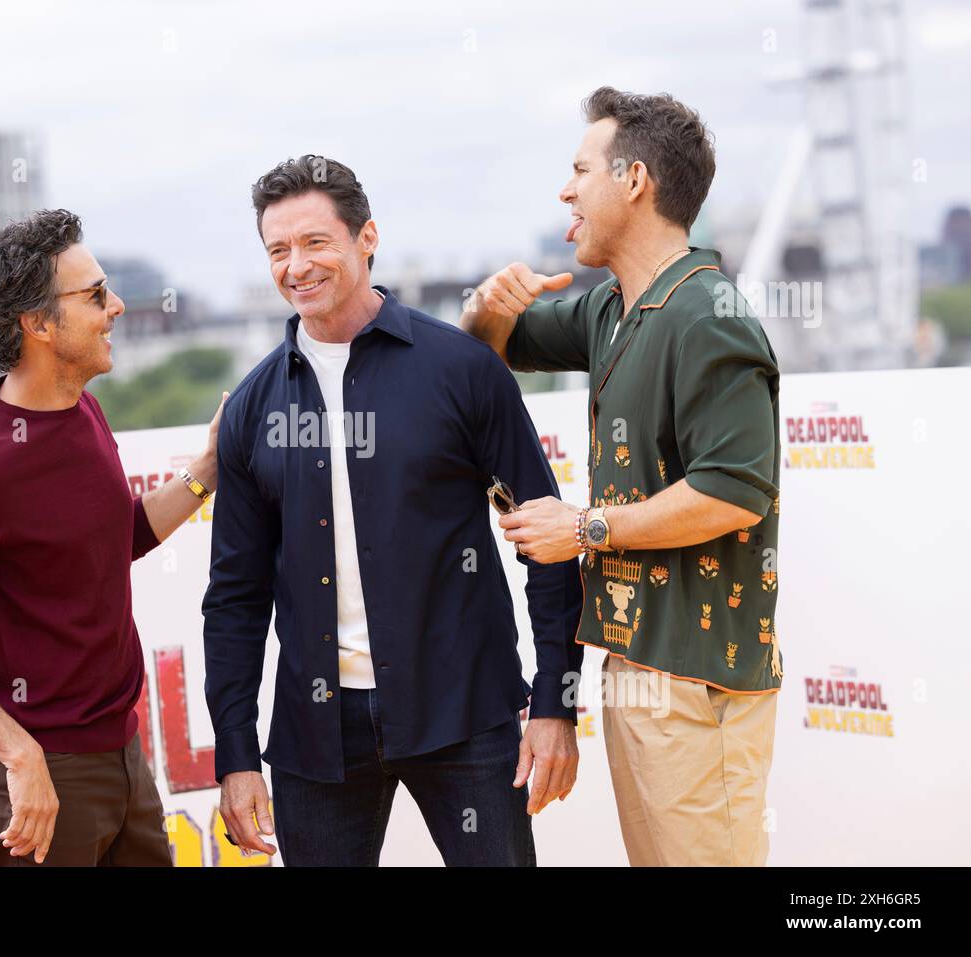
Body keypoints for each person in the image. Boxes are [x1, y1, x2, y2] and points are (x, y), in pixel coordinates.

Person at [203, 156, 583, 866]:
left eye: (315, 242)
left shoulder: (461, 369)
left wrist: (557, 701)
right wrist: (236, 754)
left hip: (466, 710)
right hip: (316, 735)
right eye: (277, 250)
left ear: (366, 237)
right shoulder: (252, 408)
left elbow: (547, 541)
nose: (296, 266)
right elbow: (234, 598)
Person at [462, 88, 783, 866]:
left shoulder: (710, 317)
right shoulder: (614, 307)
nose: (565, 190)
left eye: (580, 170)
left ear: (634, 180)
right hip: (638, 668)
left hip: (698, 682)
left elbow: (734, 491)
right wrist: (485, 310)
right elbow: (493, 346)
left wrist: (583, 527)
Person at [0, 209, 225, 866]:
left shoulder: (84, 411)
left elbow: (113, 536)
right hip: (42, 778)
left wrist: (207, 470)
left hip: (120, 757)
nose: (118, 306)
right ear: (39, 324)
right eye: (95, 294)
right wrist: (20, 755)